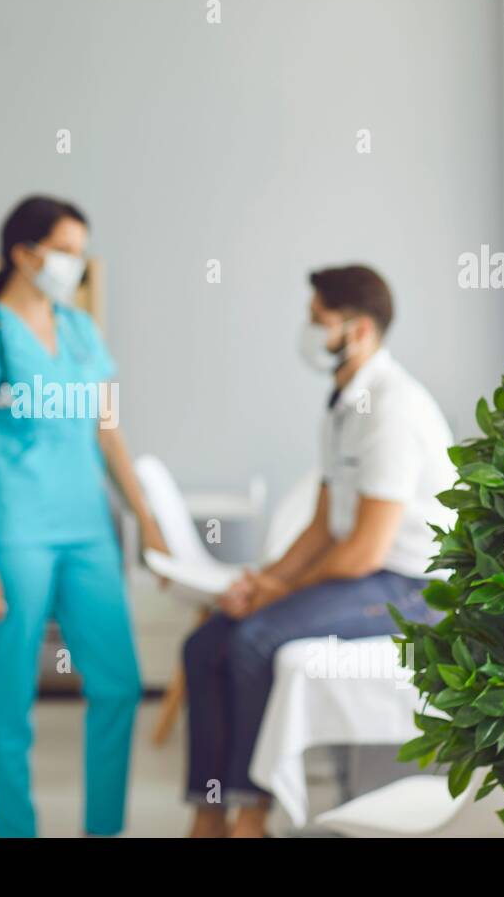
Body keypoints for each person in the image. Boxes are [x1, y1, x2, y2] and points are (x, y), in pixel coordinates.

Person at [183, 264, 452, 838]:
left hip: (411, 587)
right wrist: (259, 581)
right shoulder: (344, 402)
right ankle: (209, 813)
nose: (307, 332)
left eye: (316, 321)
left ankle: (251, 817)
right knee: (206, 642)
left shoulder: (391, 407)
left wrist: (276, 596)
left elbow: (365, 549)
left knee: (256, 639)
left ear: (356, 329)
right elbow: (325, 527)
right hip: (368, 573)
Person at [0, 195, 167, 837]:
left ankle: (104, 829)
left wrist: (145, 521)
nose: (76, 262)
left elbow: (110, 434)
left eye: (80, 250)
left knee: (119, 684)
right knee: (11, 697)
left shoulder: (81, 330)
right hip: (16, 535)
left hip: (89, 532)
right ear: (25, 252)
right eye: (66, 249)